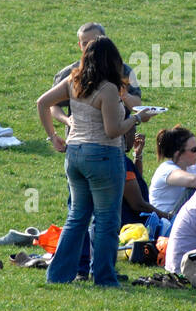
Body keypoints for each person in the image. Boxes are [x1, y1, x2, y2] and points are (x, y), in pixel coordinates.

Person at [37, 36, 152, 286]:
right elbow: (113, 130)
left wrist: (53, 136)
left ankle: (58, 276)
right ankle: (105, 278)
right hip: (103, 155)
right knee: (107, 220)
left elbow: (42, 102)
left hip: (75, 154)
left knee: (77, 217)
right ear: (112, 61)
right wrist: (138, 119)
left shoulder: (73, 81)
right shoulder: (108, 89)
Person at [150, 125, 196, 215]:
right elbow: (193, 181)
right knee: (193, 189)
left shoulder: (192, 168)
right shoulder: (166, 170)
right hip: (166, 224)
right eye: (194, 150)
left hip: (181, 220)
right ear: (178, 154)